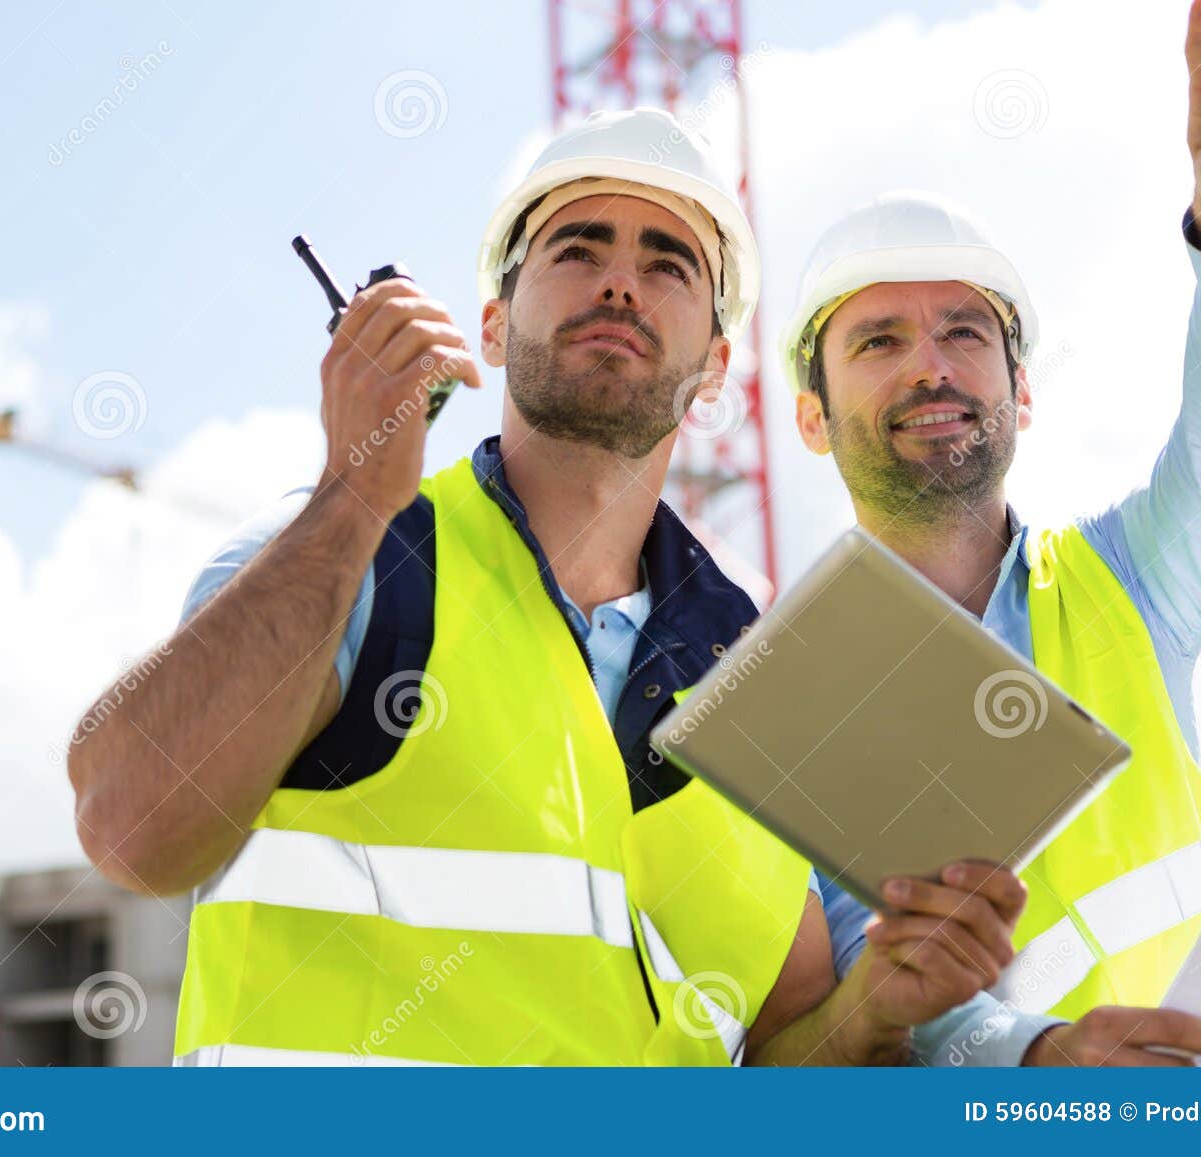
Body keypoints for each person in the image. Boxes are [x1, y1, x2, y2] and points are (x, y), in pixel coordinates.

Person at [67, 107, 1024, 1066]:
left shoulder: (762, 668)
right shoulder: (343, 562)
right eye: (578, 248)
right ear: (492, 324)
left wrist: (875, 1006)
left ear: (713, 369)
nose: (619, 279)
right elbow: (132, 827)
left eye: (667, 263)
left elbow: (784, 1054)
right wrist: (354, 495)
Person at [778, 0, 1201, 1065]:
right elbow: (882, 1018)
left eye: (962, 331)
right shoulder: (790, 714)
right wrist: (1043, 1060)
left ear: (1019, 392)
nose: (930, 365)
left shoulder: (1120, 584)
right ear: (811, 416)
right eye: (879, 338)